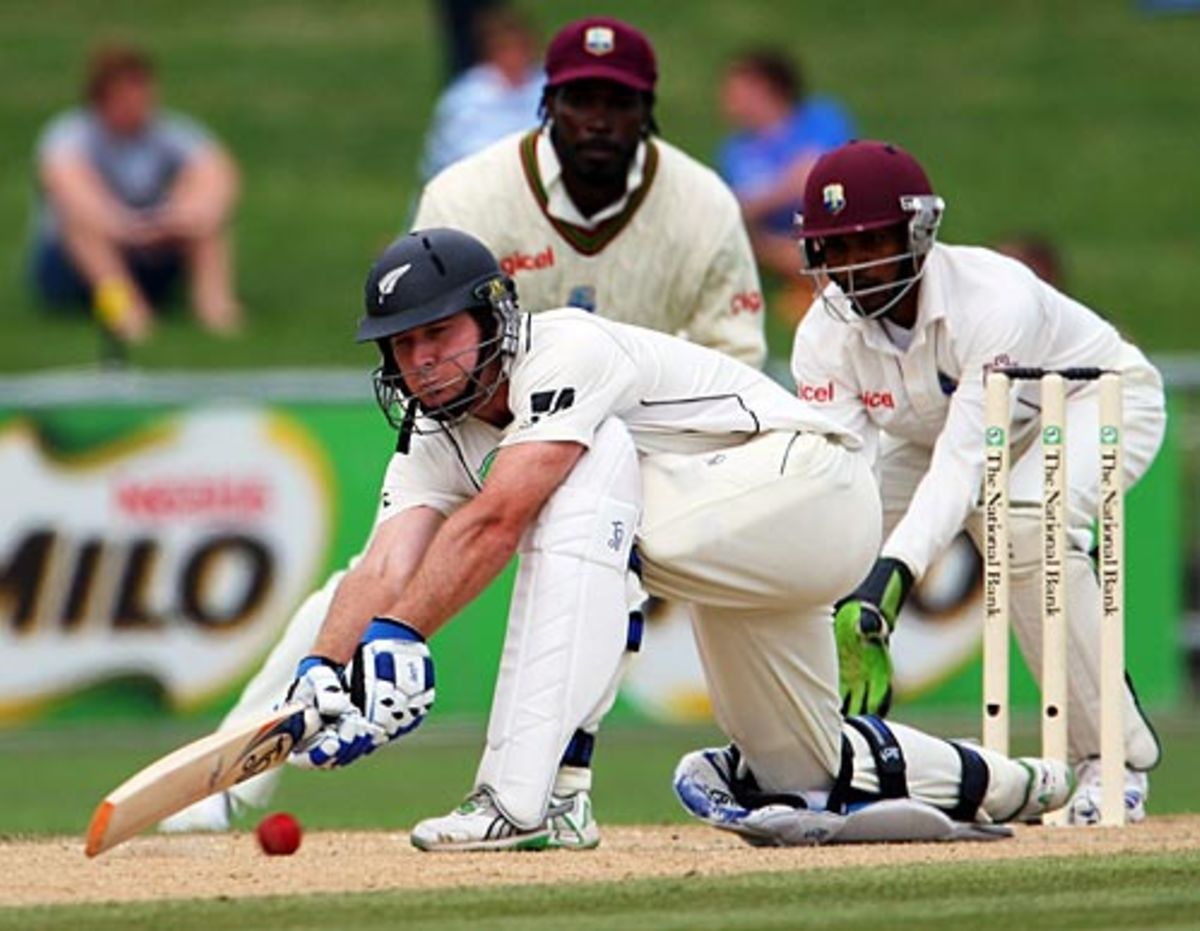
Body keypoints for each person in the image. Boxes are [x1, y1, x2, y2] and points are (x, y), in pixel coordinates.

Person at [160, 15, 765, 834]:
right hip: (481, 418)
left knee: (602, 568)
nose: (596, 119)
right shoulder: (469, 195)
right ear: (547, 103)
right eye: (579, 99)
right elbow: (423, 325)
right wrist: (345, 648)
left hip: (644, 435)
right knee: (377, 568)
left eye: (616, 102)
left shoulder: (702, 206)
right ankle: (240, 767)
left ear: (648, 109)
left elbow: (733, 358)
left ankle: (555, 790)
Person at [280, 227, 1072, 851]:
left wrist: (404, 635)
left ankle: (529, 797)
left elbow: (497, 518)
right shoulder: (430, 433)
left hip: (811, 495)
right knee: (798, 769)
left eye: (438, 333)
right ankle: (1026, 781)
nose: (421, 361)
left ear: (495, 314)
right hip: (733, 562)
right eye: (402, 343)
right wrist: (325, 665)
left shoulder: (566, 352)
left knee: (585, 474)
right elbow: (386, 561)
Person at [789, 139, 1165, 826]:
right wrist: (847, 580)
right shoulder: (822, 335)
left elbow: (967, 464)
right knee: (821, 547)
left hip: (1094, 401)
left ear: (916, 234)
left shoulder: (993, 299)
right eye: (833, 249)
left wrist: (890, 577)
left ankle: (1112, 761)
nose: (850, 269)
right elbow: (837, 473)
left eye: (867, 243)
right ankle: (812, 762)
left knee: (1023, 521)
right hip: (933, 432)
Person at [29, 43, 242, 344]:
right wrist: (128, 228)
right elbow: (72, 194)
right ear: (102, 98)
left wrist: (180, 217)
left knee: (207, 222)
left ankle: (216, 310)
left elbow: (217, 174)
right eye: (126, 95)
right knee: (80, 226)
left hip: (148, 248)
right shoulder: (70, 135)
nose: (137, 102)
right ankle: (130, 317)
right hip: (73, 270)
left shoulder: (168, 131)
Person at [717, 48, 855, 336]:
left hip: (833, 228)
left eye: (736, 88)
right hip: (777, 241)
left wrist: (756, 203)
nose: (726, 97)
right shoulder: (736, 149)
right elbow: (730, 206)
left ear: (764, 87)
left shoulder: (820, 118)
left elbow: (813, 179)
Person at [419, 7, 544, 181]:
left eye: (519, 49)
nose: (514, 57)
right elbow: (451, 155)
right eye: (505, 49)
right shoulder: (466, 98)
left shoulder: (547, 89)